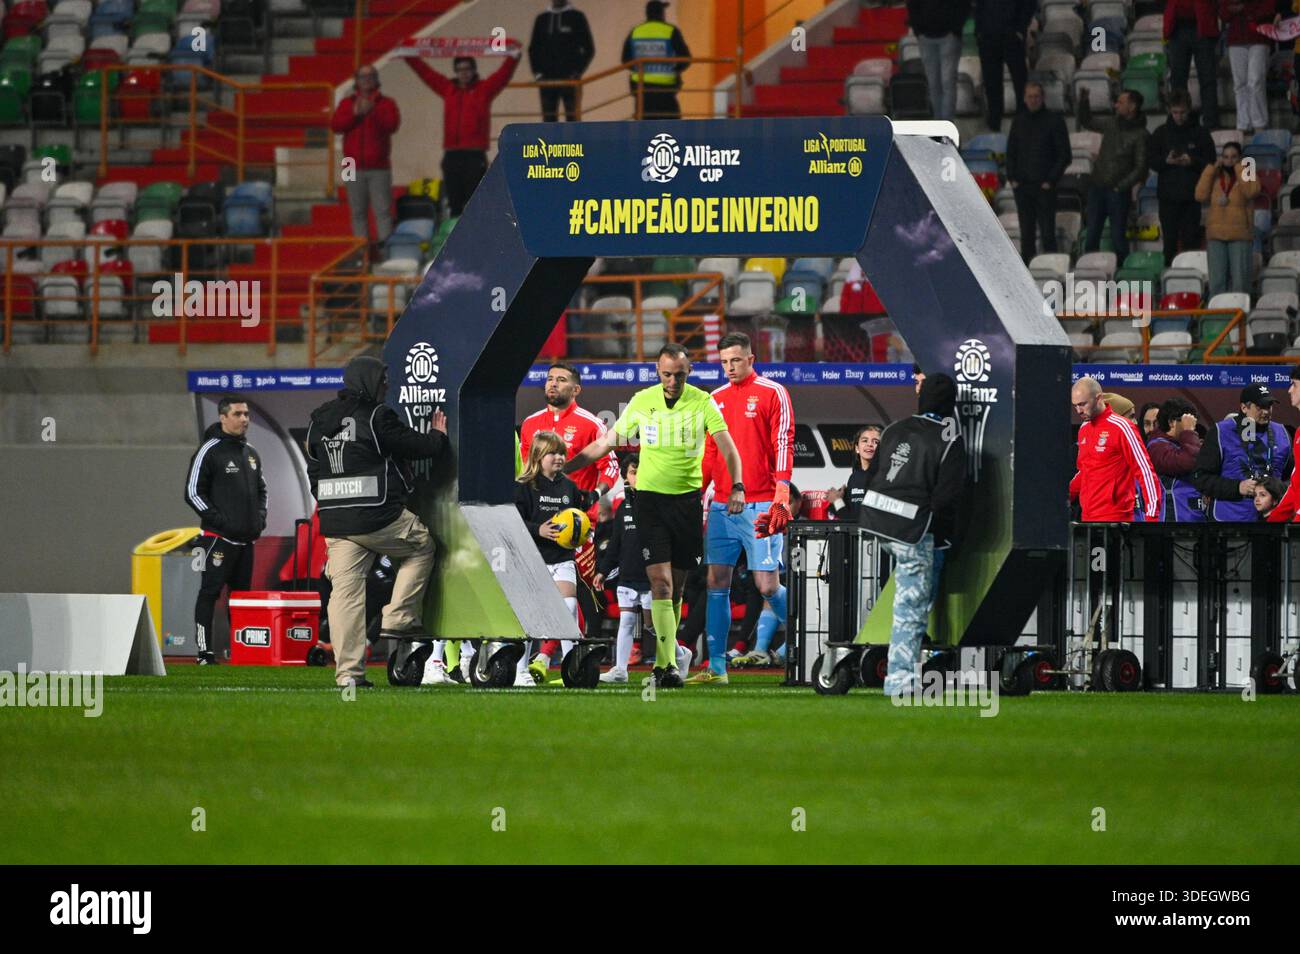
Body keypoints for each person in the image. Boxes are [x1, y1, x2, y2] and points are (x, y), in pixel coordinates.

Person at [564, 344, 746, 688]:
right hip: (648, 502)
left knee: (675, 591)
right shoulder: (641, 400)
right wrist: (568, 468)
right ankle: (665, 667)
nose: (673, 380)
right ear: (657, 371)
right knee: (660, 584)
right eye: (666, 374)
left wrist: (737, 485)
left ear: (688, 372)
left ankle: (667, 661)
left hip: (688, 503)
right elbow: (605, 443)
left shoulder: (704, 402)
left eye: (679, 374)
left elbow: (728, 448)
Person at [304, 356, 448, 689]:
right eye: (383, 378)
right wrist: (438, 436)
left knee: (344, 596)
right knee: (422, 546)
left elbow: (314, 467)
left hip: (337, 523)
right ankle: (398, 617)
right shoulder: (376, 416)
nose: (388, 384)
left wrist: (328, 497)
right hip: (379, 516)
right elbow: (415, 446)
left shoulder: (319, 420)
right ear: (368, 381)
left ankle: (349, 677)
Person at [693, 332, 796, 682]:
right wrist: (698, 492)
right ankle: (717, 668)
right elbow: (709, 452)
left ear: (751, 359)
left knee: (767, 586)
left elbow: (783, 440)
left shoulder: (773, 392)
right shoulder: (714, 398)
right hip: (722, 504)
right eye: (724, 362)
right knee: (715, 582)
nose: (729, 367)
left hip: (762, 501)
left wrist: (782, 490)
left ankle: (804, 637)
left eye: (735, 360)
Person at [858, 374, 967, 696]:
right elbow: (948, 497)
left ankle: (909, 666)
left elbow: (873, 472)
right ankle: (899, 681)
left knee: (919, 587)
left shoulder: (894, 428)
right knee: (911, 607)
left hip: (875, 520)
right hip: (911, 528)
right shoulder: (949, 438)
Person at [520, 361, 621, 669]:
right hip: (538, 526)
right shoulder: (529, 423)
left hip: (577, 528)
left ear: (576, 389)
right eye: (550, 379)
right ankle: (537, 660)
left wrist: (597, 496)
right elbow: (525, 473)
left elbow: (611, 466)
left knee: (577, 595)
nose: (553, 384)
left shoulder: (590, 424)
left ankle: (556, 657)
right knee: (534, 596)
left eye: (561, 380)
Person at [185, 395, 267, 666]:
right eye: (238, 414)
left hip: (246, 541)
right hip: (216, 539)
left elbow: (262, 490)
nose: (244, 419)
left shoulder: (251, 452)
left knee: (241, 597)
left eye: (246, 414)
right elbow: (192, 493)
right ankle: (204, 653)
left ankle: (240, 650)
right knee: (210, 592)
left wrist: (260, 519)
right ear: (223, 418)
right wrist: (220, 522)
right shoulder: (209, 450)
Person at [514, 430, 600, 687]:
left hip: (562, 558)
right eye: (553, 453)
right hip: (533, 558)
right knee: (530, 615)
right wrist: (537, 530)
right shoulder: (523, 487)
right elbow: (513, 521)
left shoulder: (569, 486)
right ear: (539, 456)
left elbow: (577, 518)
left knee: (569, 608)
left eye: (562, 452)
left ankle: (572, 668)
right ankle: (520, 671)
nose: (559, 457)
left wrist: (582, 533)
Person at [405, 48, 520, 217]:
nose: (463, 73)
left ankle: (476, 241)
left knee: (475, 204)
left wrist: (513, 57)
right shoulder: (448, 89)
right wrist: (408, 55)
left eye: (467, 69)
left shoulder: (483, 90)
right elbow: (427, 74)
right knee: (454, 204)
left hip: (474, 156)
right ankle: (456, 240)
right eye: (460, 70)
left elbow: (502, 76)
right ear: (456, 72)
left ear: (473, 71)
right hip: (451, 156)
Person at [594, 454, 655, 684]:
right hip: (627, 575)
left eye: (641, 471)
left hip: (650, 575)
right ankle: (620, 669)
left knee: (652, 625)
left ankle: (679, 655)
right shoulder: (622, 508)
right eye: (633, 471)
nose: (637, 476)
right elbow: (616, 544)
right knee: (627, 621)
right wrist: (603, 570)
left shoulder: (655, 502)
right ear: (625, 476)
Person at [1191, 383, 1292, 521]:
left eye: (1269, 406)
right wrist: (1238, 487)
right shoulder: (1221, 432)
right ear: (1244, 407)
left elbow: (1292, 480)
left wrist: (1276, 488)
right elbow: (1200, 478)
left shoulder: (1282, 433)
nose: (1266, 411)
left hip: (1274, 521)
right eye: (1260, 407)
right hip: (1229, 522)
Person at [1069, 377, 1161, 522]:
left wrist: (1152, 517)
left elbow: (1145, 471)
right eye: (1075, 406)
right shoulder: (1084, 429)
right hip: (1087, 517)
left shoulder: (1123, 427)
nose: (1078, 410)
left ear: (1098, 398)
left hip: (1117, 519)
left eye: (1083, 404)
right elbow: (1085, 471)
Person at [331, 63, 401, 250]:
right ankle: (361, 252)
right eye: (363, 77)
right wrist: (355, 113)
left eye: (370, 76)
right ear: (357, 81)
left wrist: (373, 111)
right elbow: (336, 125)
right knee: (357, 211)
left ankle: (386, 250)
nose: (367, 80)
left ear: (376, 79)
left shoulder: (387, 103)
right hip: (350, 164)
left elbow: (392, 125)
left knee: (383, 210)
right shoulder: (346, 103)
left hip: (379, 165)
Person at [1077, 87, 1149, 266]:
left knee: (1118, 237)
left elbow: (1141, 168)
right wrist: (1084, 101)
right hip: (1097, 188)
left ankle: (1121, 275)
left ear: (1132, 107)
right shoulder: (1112, 123)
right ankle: (1089, 272)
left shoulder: (1141, 135)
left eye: (1121, 102)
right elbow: (1087, 121)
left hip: (1117, 193)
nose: (1116, 105)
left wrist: (1121, 186)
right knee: (1092, 233)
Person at [1150, 91, 1216, 266]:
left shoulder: (1201, 133)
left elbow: (1211, 162)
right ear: (1170, 111)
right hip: (1167, 198)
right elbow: (1152, 161)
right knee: (1169, 244)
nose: (1179, 117)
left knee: (1190, 243)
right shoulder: (1161, 133)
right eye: (1175, 112)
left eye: (1183, 112)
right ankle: (1169, 282)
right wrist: (1166, 161)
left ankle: (1191, 281)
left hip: (1191, 197)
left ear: (1189, 110)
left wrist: (1192, 161)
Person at [1006, 81, 1070, 262]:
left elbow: (1064, 155)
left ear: (1043, 98)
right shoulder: (1018, 121)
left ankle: (1051, 272)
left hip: (1045, 188)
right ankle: (1027, 276)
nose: (1033, 100)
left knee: (1048, 233)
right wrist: (1012, 178)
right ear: (1024, 99)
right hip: (1023, 187)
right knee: (1026, 235)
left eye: (1036, 96)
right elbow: (1011, 151)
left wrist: (1050, 181)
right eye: (1029, 97)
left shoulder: (1055, 121)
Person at [1196, 142, 1260, 298]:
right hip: (1216, 235)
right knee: (1217, 283)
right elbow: (1200, 195)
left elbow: (1251, 192)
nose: (1229, 161)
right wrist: (1210, 170)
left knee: (1240, 282)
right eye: (1225, 157)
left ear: (1240, 158)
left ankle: (1241, 318)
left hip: (1240, 235)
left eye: (1233, 157)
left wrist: (1239, 169)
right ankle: (1218, 318)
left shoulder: (1248, 172)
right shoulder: (1215, 174)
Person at [622, 1, 691, 120]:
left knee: (645, 127)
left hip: (642, 89)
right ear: (661, 13)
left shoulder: (636, 31)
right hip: (666, 89)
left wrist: (641, 68)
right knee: (671, 127)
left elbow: (626, 59)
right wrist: (675, 70)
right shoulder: (670, 31)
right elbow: (685, 58)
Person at [528, 1, 595, 122]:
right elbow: (533, 49)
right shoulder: (542, 19)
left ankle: (575, 142)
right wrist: (537, 73)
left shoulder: (576, 17)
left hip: (570, 80)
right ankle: (550, 142)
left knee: (573, 118)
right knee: (548, 120)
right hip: (546, 80)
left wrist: (576, 72)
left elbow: (589, 48)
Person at [973, 0, 1034, 131]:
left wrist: (1019, 29)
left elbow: (1029, 4)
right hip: (988, 36)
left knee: (1020, 82)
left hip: (1012, 35)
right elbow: (979, 6)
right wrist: (979, 31)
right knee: (991, 83)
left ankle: (1023, 122)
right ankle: (994, 124)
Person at [905, 0, 970, 121]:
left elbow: (964, 5)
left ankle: (946, 125)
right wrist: (918, 31)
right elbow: (912, 5)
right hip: (927, 38)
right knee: (934, 83)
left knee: (947, 82)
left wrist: (955, 30)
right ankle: (939, 123)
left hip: (948, 37)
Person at [1146, 398, 1207, 521]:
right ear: (1172, 422)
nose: (1192, 427)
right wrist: (1188, 431)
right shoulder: (1157, 446)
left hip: (1190, 515)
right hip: (1172, 519)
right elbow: (1189, 463)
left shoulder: (1182, 443)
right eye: (1187, 422)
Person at [1220, 0, 1272, 135]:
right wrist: (1245, 7)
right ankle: (1243, 123)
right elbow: (1223, 12)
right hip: (1236, 38)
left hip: (1259, 36)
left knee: (1255, 81)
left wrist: (1242, 8)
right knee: (1239, 84)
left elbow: (1268, 8)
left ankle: (1259, 123)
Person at [827, 424, 883, 522]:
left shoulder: (885, 476)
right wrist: (839, 499)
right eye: (865, 440)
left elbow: (866, 519)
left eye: (876, 442)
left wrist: (837, 501)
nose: (870, 444)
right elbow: (849, 517)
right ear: (857, 448)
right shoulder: (854, 477)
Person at [1266, 367, 1300, 522]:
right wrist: (1273, 521)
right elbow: (1295, 483)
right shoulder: (1299, 433)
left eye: (1294, 384)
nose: (1289, 390)